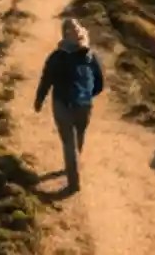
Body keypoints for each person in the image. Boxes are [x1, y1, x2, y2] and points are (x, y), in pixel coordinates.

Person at [34, 17, 104, 193]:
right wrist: (88, 95)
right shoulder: (90, 56)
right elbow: (100, 82)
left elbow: (46, 79)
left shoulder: (56, 57)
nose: (79, 30)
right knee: (77, 137)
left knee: (68, 143)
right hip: (83, 105)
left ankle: (73, 182)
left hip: (63, 103)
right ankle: (73, 168)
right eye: (77, 28)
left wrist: (39, 100)